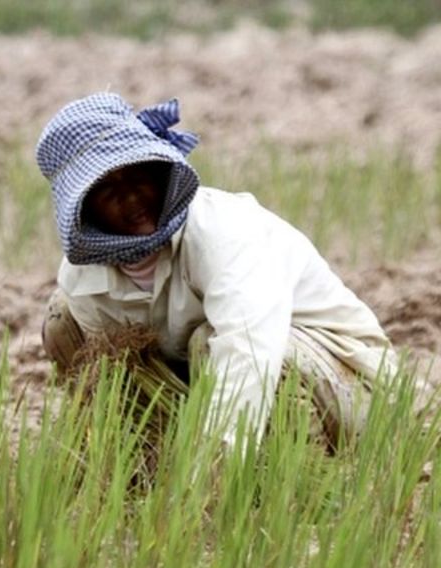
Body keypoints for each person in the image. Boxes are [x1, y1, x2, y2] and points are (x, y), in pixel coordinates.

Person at [36, 91, 426, 449]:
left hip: (349, 394)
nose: (132, 196)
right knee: (62, 319)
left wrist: (214, 477)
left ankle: (293, 484)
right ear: (86, 208)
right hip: (215, 392)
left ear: (159, 173)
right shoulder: (82, 277)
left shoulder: (225, 231)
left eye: (139, 176)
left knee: (212, 342)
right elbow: (121, 386)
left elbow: (249, 355)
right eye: (107, 189)